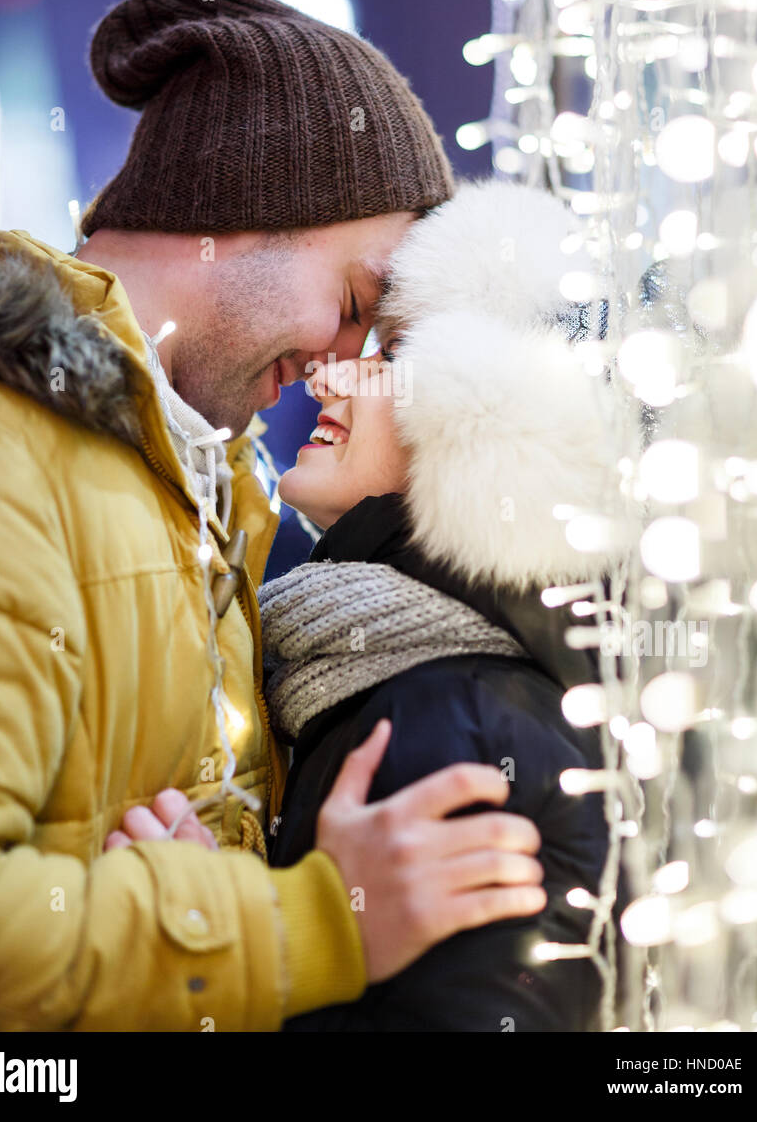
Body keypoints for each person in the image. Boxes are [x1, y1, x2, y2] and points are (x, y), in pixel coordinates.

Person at [0, 0, 546, 1032]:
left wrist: (201, 882)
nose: (336, 368)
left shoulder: (211, 491)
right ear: (243, 204)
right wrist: (300, 922)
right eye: (353, 305)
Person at [261, 176, 619, 1031]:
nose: (326, 381)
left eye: (388, 357)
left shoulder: (444, 715)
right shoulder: (426, 676)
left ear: (483, 422)